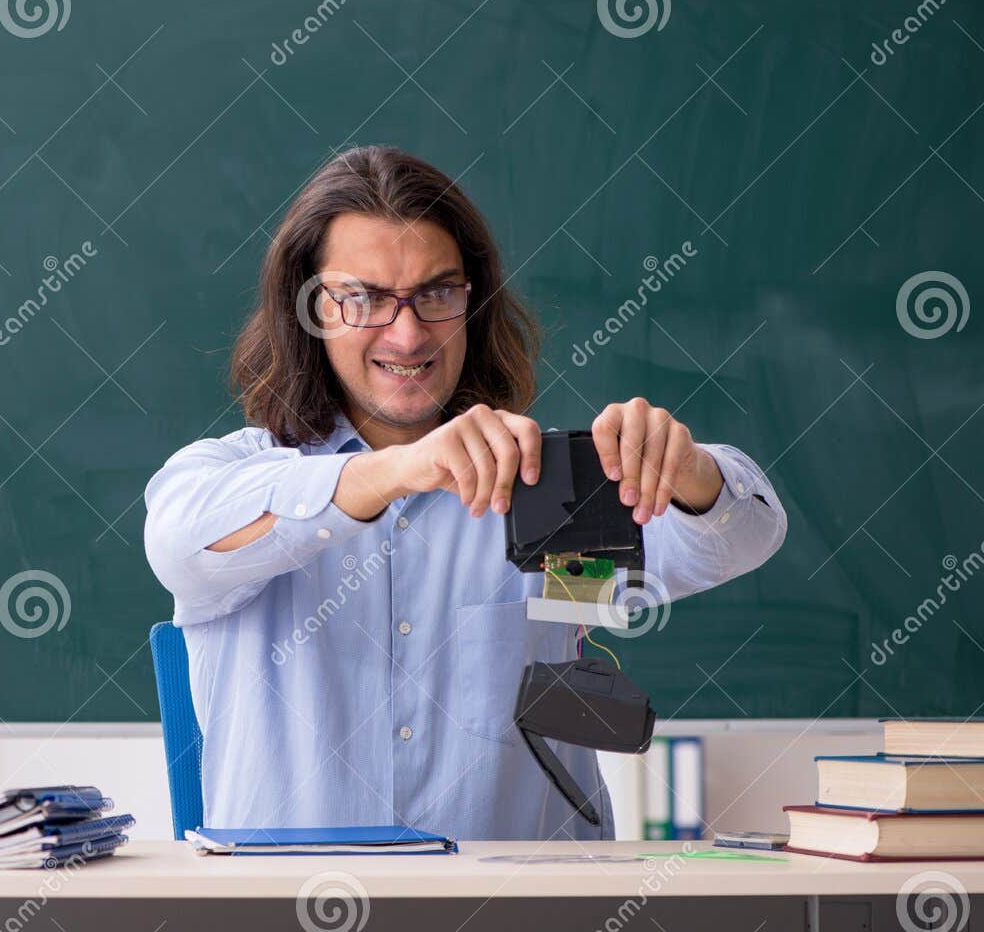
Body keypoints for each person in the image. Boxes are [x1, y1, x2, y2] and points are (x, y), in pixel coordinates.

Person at [143, 145, 786, 841]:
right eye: (363, 298)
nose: (409, 331)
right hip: (294, 929)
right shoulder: (231, 478)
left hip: (523, 930)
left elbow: (744, 540)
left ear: (472, 302)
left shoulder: (545, 493)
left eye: (437, 293)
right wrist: (398, 472)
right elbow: (179, 543)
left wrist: (689, 472)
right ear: (310, 309)